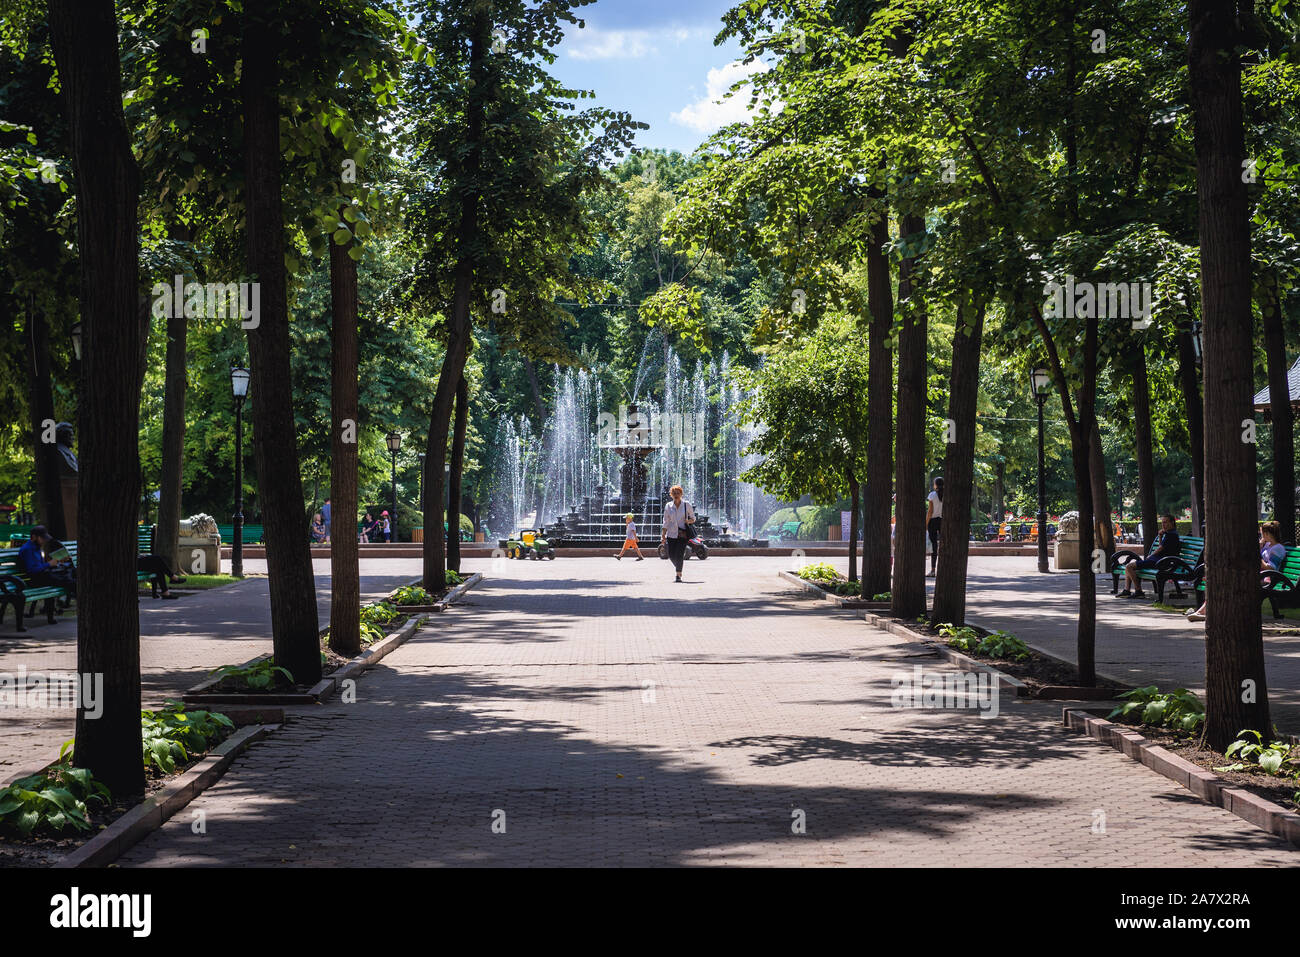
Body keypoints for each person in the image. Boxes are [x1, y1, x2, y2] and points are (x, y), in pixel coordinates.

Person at [1188, 521, 1286, 622]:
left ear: (1268, 534)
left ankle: (1205, 612)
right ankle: (1203, 611)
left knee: (1227, 582)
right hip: (1257, 575)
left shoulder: (1278, 548)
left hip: (1267, 578)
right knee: (1222, 581)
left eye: (1262, 533)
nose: (1261, 535)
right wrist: (1260, 546)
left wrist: (1257, 555)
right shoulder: (1267, 545)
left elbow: (1271, 568)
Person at [1116, 513, 1180, 599]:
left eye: (1165, 522)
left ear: (1172, 523)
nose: (1163, 525)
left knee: (1129, 567)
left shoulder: (1171, 535)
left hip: (1161, 562)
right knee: (1129, 567)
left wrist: (1151, 555)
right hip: (1160, 560)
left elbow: (1160, 548)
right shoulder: (1169, 533)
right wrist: (1160, 536)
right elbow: (1162, 547)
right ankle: (1127, 590)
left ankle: (1138, 591)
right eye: (1162, 523)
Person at [18, 526, 76, 599]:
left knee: (73, 572)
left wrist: (57, 562)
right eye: (42, 538)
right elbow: (32, 570)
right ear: (34, 537)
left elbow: (41, 565)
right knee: (70, 581)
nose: (44, 541)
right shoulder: (27, 550)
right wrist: (49, 564)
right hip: (37, 579)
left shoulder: (36, 547)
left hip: (45, 574)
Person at [660, 485, 696, 583]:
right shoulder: (668, 506)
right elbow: (665, 521)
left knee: (679, 554)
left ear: (681, 494)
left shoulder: (686, 504)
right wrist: (663, 534)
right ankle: (679, 566)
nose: (676, 495)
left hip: (682, 534)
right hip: (671, 533)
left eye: (678, 493)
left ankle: (678, 574)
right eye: (674, 493)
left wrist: (688, 521)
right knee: (671, 554)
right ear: (671, 495)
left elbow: (693, 518)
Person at [925, 477, 943, 577]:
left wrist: (926, 523)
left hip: (933, 521)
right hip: (942, 521)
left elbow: (930, 511)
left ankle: (933, 570)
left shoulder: (932, 495)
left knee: (934, 546)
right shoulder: (946, 495)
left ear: (935, 484)